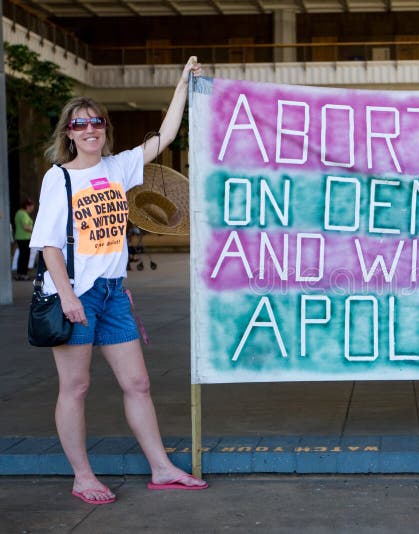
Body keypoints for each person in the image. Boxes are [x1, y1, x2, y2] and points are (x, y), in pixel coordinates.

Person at [28, 57, 207, 505]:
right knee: (77, 387)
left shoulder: (119, 167)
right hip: (75, 294)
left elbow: (165, 136)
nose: (90, 129)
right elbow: (49, 244)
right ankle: (82, 476)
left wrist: (182, 82)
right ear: (69, 133)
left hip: (113, 294)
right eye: (80, 124)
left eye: (97, 122)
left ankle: (162, 468)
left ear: (105, 128)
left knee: (139, 384)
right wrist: (68, 296)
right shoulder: (59, 179)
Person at [13, 198, 35, 281]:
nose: (32, 209)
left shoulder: (18, 213)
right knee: (25, 257)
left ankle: (20, 273)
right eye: (31, 207)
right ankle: (24, 274)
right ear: (27, 206)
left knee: (22, 256)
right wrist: (35, 230)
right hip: (25, 238)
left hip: (19, 237)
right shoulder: (23, 214)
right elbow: (26, 226)